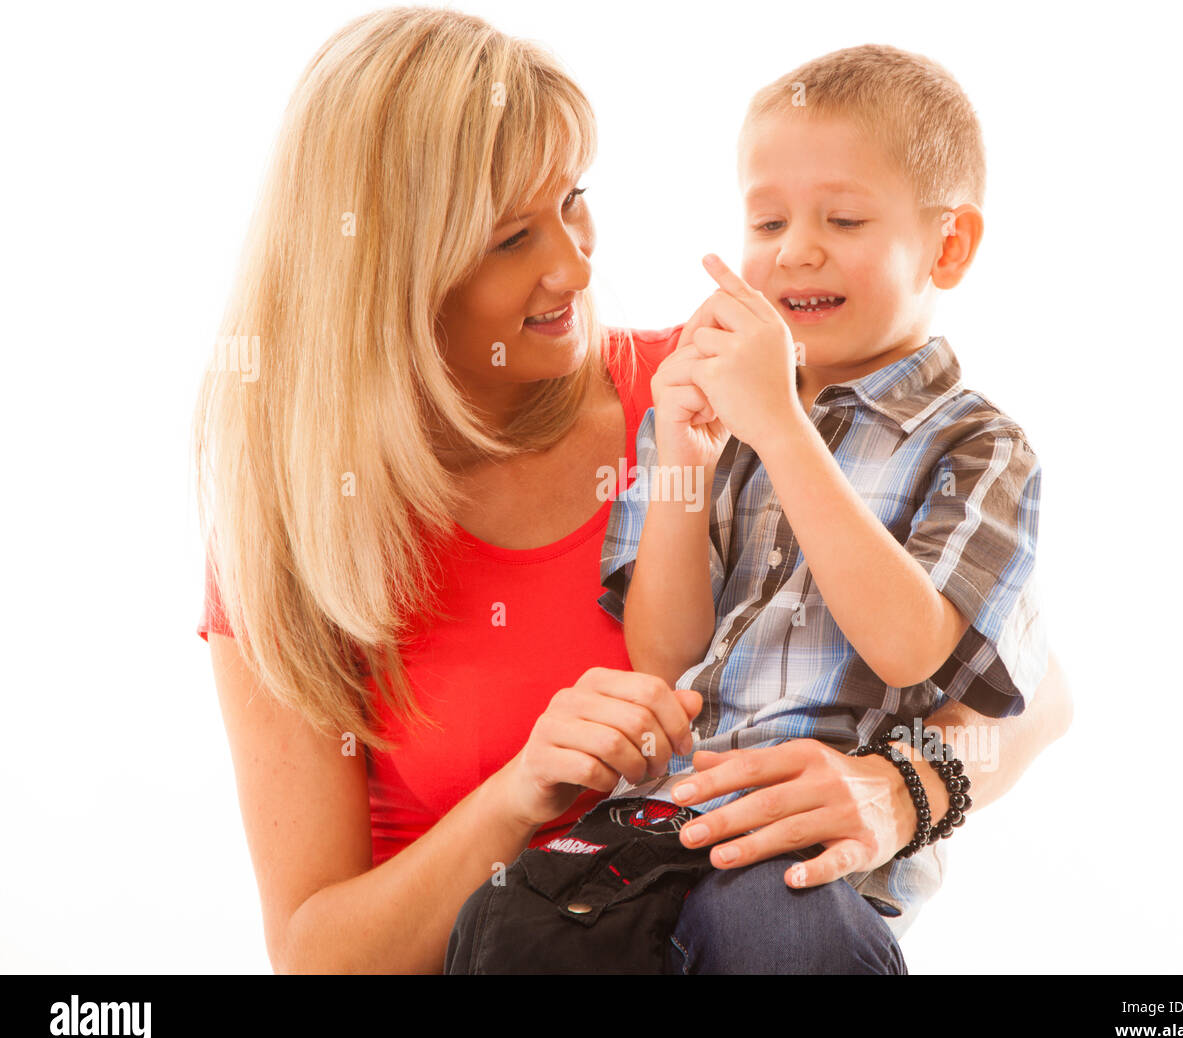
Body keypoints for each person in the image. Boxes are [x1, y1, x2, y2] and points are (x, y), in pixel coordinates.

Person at [195, 9, 1073, 975]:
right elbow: (318, 958)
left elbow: (1036, 697)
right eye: (511, 238)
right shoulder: (298, 529)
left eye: (574, 200)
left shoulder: (712, 395)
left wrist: (906, 787)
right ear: (390, 275)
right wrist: (521, 792)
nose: (575, 264)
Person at [444, 43, 1052, 974]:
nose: (795, 248)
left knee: (763, 923)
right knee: (511, 926)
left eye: (843, 218)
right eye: (767, 221)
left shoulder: (979, 446)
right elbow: (663, 650)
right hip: (672, 818)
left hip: (816, 855)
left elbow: (911, 646)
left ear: (950, 244)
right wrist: (687, 452)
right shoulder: (706, 407)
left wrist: (783, 427)